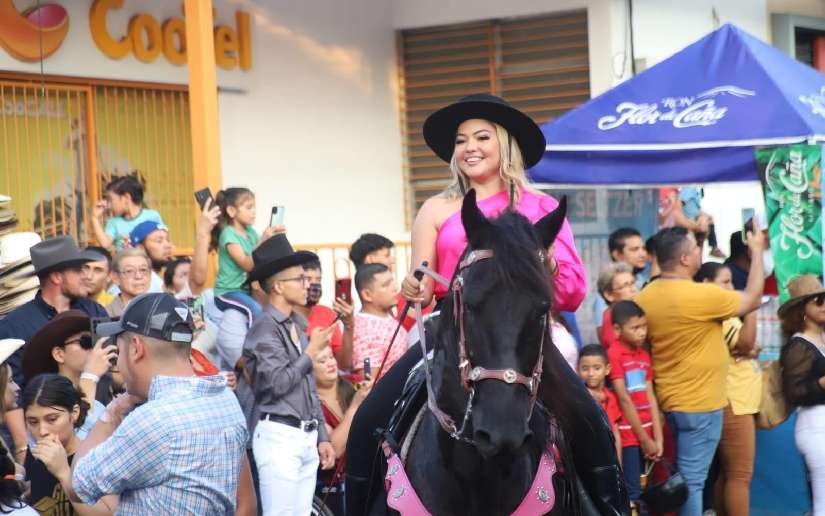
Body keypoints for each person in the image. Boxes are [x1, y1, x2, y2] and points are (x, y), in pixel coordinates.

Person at [347, 94, 626, 516]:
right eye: (461, 141)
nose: (469, 147)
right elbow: (424, 282)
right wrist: (414, 287)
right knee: (368, 418)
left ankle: (612, 508)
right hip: (448, 337)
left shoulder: (542, 208)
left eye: (482, 137)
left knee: (593, 422)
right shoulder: (436, 209)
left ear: (505, 146)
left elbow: (570, 291)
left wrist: (544, 263)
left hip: (525, 342)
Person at [61, 293, 247, 513]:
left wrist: (111, 415)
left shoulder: (154, 419)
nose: (118, 363)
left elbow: (78, 486)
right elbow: (247, 504)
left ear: (136, 348)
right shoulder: (224, 398)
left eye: (119, 351)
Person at [634, 226, 765, 516]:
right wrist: (756, 251)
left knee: (690, 477)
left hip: (672, 402)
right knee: (693, 481)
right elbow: (753, 298)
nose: (699, 252)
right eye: (695, 248)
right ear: (684, 259)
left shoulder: (647, 295)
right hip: (701, 403)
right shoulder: (701, 295)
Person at [240, 234, 336, 515]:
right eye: (300, 279)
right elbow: (276, 384)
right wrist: (310, 354)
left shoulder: (296, 322)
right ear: (279, 287)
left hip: (304, 435)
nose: (308, 284)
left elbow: (309, 387)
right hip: (279, 435)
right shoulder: (264, 328)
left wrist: (322, 435)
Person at [0, 236, 106, 464]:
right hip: (42, 438)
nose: (86, 275)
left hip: (97, 426)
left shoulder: (95, 310)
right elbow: (13, 394)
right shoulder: (15, 324)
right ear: (57, 276)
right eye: (78, 270)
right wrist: (21, 449)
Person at [695, 262, 761, 516]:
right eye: (725, 282)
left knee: (729, 472)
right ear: (705, 285)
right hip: (733, 399)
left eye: (731, 282)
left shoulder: (723, 314)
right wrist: (752, 306)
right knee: (740, 474)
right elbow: (745, 344)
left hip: (736, 397)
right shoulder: (717, 314)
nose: (731, 288)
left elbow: (746, 346)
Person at [23, 374, 118, 515]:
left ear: (74, 413)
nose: (42, 431)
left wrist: (64, 473)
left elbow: (108, 512)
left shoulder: (94, 457)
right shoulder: (37, 455)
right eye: (33, 422)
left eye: (52, 419)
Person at [21, 310, 116, 439]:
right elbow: (78, 440)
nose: (94, 349)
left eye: (95, 341)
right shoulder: (43, 395)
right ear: (59, 354)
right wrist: (90, 376)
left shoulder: (99, 402)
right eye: (86, 341)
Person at [608, 300, 663, 512]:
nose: (642, 333)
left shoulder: (643, 355)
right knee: (633, 490)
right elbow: (624, 398)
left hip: (648, 432)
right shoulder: (614, 354)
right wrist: (644, 439)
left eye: (644, 327)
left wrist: (657, 438)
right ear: (617, 330)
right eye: (635, 328)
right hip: (631, 434)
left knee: (646, 487)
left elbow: (651, 397)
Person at [778, 275, 825, 516]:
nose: (824, 305)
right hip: (815, 426)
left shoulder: (820, 340)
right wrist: (821, 383)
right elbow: (794, 392)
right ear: (801, 310)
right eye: (818, 301)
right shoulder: (798, 346)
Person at [312, 347, 372, 514]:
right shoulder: (311, 404)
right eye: (322, 361)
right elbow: (335, 449)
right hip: (334, 488)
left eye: (331, 357)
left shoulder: (353, 382)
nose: (330, 363)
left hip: (367, 474)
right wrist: (354, 406)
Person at [211, 187, 279, 319]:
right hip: (227, 293)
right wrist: (263, 239)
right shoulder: (228, 234)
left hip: (246, 291)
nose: (254, 212)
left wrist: (273, 239)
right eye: (249, 208)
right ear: (231, 211)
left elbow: (262, 256)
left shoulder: (250, 232)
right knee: (255, 310)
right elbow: (247, 264)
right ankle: (256, 340)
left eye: (254, 207)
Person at [295, 259, 354, 372]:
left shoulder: (327, 314)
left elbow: (344, 364)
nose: (314, 285)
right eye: (308, 279)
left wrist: (349, 325)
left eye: (318, 279)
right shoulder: (285, 317)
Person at [352, 263, 407, 379]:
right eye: (386, 285)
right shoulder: (364, 331)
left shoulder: (385, 316)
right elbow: (369, 385)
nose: (395, 288)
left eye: (392, 281)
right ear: (367, 295)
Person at [593, 228, 647, 335]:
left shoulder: (643, 280)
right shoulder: (606, 293)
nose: (643, 254)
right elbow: (604, 333)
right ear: (617, 254)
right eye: (635, 249)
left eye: (643, 248)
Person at [90, 173, 163, 251]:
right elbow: (105, 244)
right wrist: (94, 218)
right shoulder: (113, 222)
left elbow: (163, 241)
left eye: (111, 200)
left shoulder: (152, 216)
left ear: (126, 198)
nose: (109, 205)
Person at [578, 344, 622, 465]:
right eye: (585, 368)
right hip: (588, 457)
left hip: (608, 456)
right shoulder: (579, 397)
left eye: (597, 368)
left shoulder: (610, 397)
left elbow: (615, 433)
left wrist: (619, 463)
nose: (591, 373)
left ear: (607, 369)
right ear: (578, 370)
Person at [597, 262, 638, 350]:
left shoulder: (630, 313)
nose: (633, 289)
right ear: (609, 295)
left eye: (633, 283)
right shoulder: (611, 320)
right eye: (626, 285)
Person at [106, 248, 152, 317]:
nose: (138, 276)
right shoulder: (107, 314)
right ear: (115, 277)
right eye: (129, 271)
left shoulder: (163, 309)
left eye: (143, 270)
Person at [128, 220, 172, 293]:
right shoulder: (136, 284)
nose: (168, 245)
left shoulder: (161, 278)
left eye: (168, 240)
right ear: (140, 248)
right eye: (159, 241)